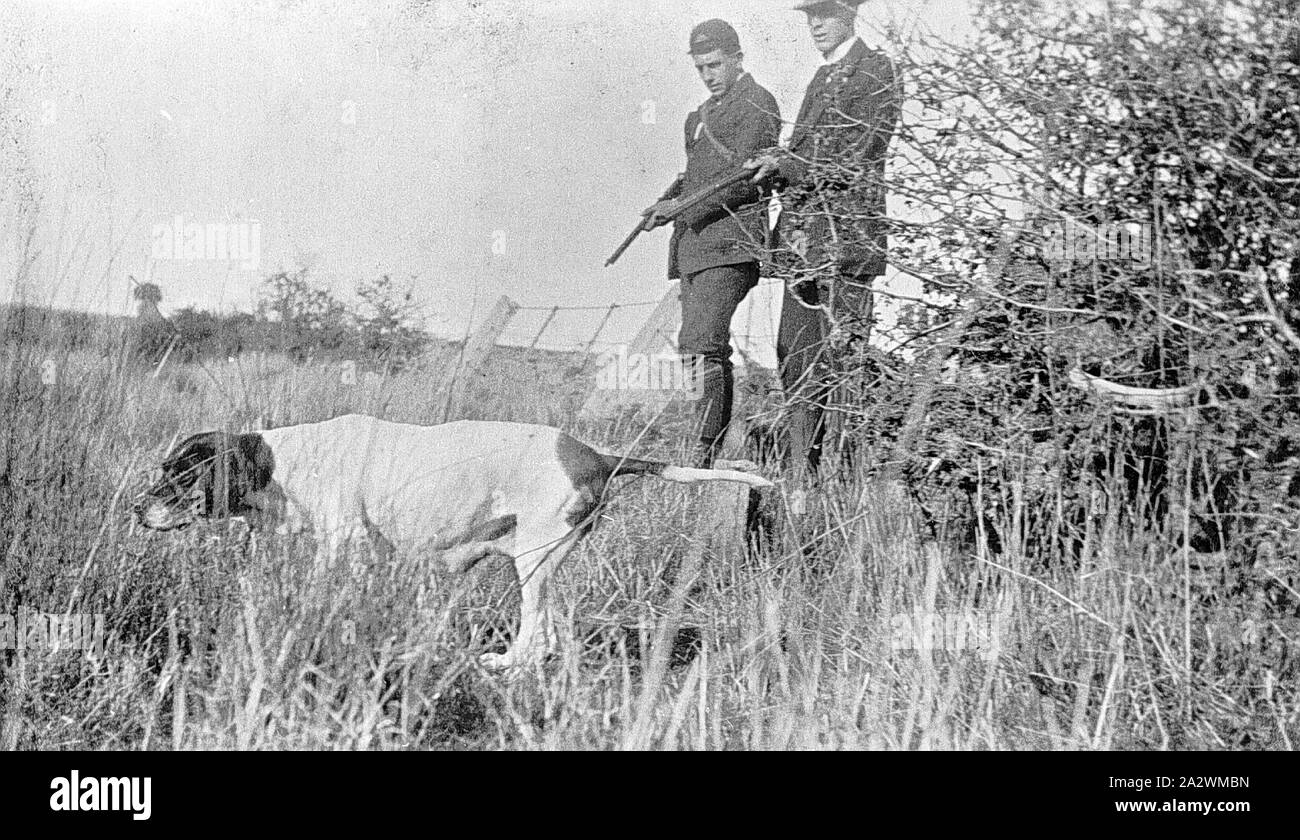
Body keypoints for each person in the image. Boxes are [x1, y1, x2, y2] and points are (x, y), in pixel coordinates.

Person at [746, 0, 899, 477]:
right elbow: (808, 156)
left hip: (847, 242)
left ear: (850, 13)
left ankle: (846, 484)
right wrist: (776, 164)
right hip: (804, 244)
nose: (816, 24)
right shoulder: (821, 76)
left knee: (844, 362)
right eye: (810, 15)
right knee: (795, 358)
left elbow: (859, 153)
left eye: (826, 13)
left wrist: (787, 164)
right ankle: (801, 478)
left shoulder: (876, 70)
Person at [645, 19, 781, 468]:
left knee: (703, 342)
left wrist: (680, 207)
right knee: (694, 346)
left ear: (738, 59)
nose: (708, 75)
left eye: (716, 64)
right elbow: (697, 177)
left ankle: (704, 454)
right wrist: (667, 202)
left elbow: (741, 179)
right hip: (696, 247)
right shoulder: (697, 118)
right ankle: (703, 447)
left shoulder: (758, 104)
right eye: (701, 67)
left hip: (732, 245)